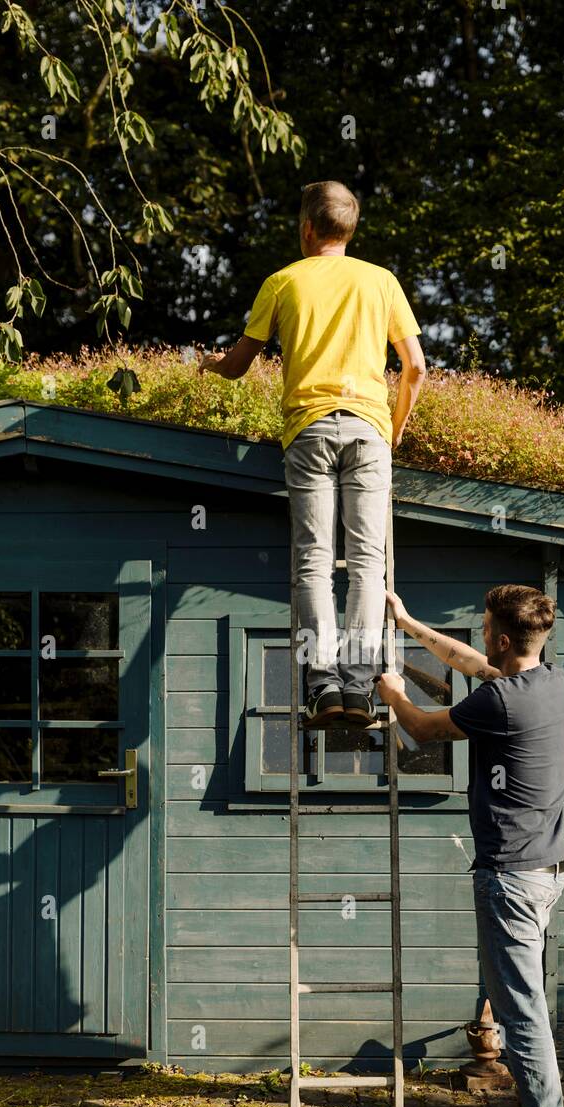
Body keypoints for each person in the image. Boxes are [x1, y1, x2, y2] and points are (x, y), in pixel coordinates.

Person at [198, 180, 426, 728]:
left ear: (306, 228)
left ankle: (323, 686)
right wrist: (392, 429)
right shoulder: (382, 282)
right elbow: (415, 367)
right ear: (350, 230)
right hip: (369, 430)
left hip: (309, 430)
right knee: (370, 563)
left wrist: (207, 365)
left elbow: (236, 365)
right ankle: (358, 686)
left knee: (314, 561)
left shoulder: (282, 282)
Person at [377, 584, 564, 1107]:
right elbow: (470, 663)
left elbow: (421, 727)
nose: (479, 635)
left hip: (510, 876)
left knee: (521, 1008)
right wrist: (407, 623)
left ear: (504, 636)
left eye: (485, 626)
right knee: (521, 999)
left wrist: (392, 690)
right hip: (543, 870)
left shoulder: (500, 704)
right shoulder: (549, 683)